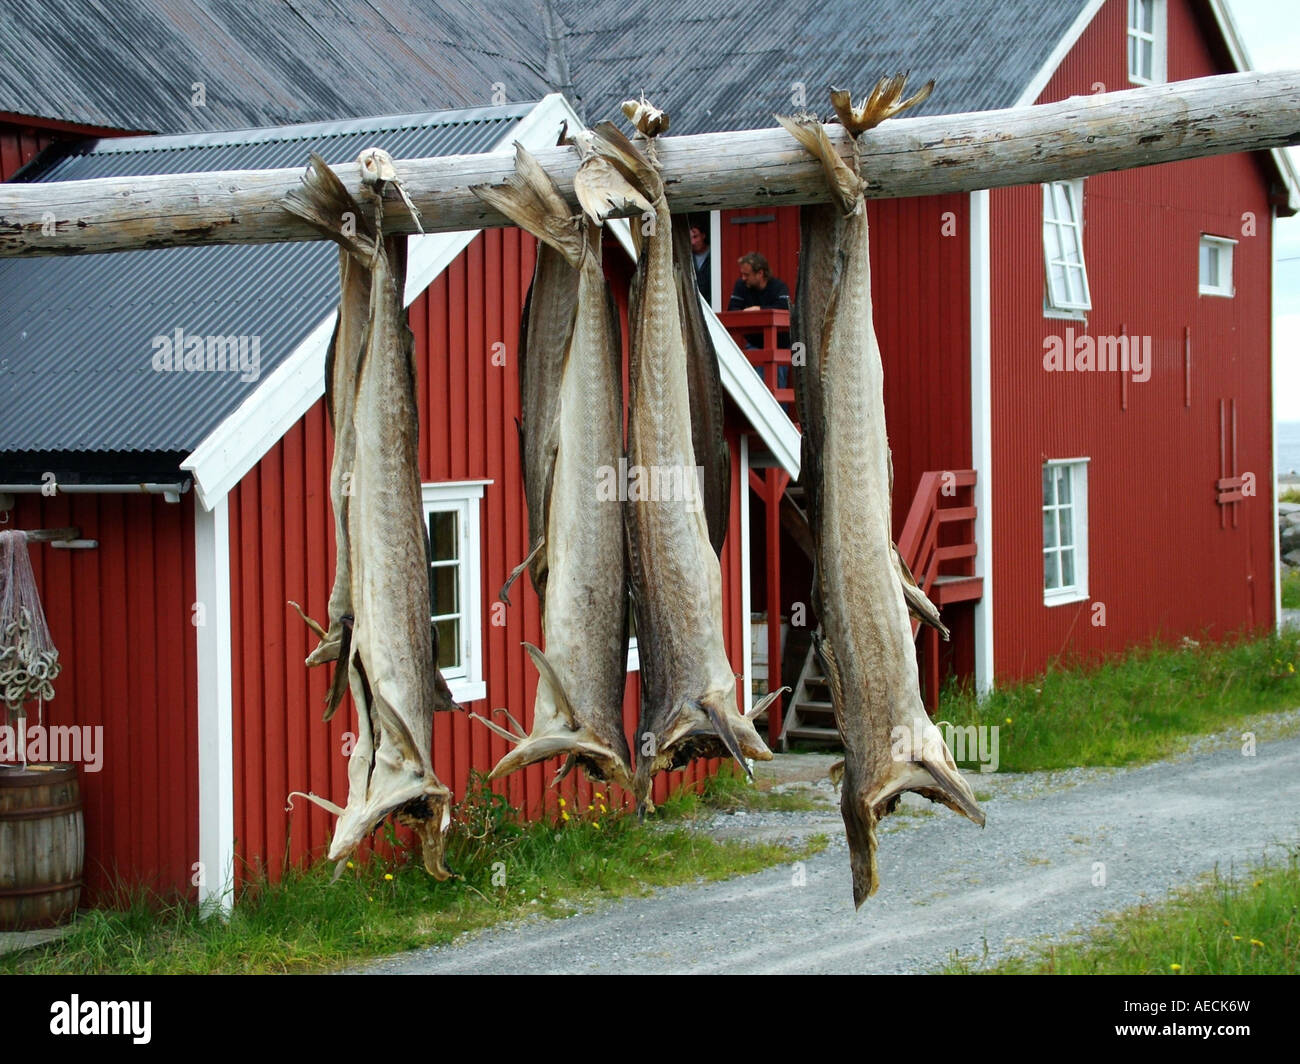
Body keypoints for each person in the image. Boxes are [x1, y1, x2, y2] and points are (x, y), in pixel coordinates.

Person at [689, 219, 711, 303]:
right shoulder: (687, 258)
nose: (693, 242)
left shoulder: (714, 255)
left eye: (695, 237)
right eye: (690, 238)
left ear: (703, 235)